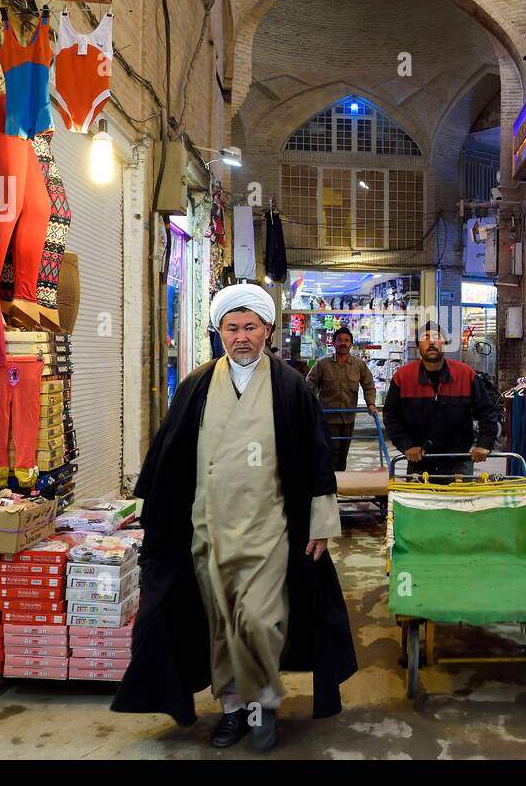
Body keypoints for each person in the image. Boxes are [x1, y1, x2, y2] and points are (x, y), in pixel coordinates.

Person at [112, 282, 357, 753]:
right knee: (220, 625)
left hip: (270, 532)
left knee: (261, 622)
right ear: (219, 331)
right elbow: (168, 454)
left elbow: (316, 456)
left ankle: (261, 705)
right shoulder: (197, 386)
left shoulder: (290, 387)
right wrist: (154, 515)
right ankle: (230, 710)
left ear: (266, 329)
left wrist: (321, 522)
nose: (241, 336)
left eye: (250, 327)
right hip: (207, 531)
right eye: (232, 327)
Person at [383, 321, 501, 477]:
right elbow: (391, 416)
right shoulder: (403, 377)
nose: (431, 341)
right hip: (419, 461)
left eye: (436, 337)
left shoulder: (465, 375)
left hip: (459, 461)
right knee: (418, 502)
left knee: (461, 501)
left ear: (444, 343)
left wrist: (484, 444)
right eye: (426, 337)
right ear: (419, 345)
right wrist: (406, 445)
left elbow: (487, 411)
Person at [307, 326, 377, 472]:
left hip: (348, 418)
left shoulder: (359, 365)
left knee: (343, 453)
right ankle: (329, 483)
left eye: (346, 340)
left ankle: (340, 482)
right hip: (328, 417)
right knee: (331, 451)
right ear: (333, 343)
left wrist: (371, 404)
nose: (343, 343)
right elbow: (309, 386)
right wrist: (309, 406)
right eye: (340, 340)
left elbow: (369, 385)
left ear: (351, 344)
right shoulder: (322, 364)